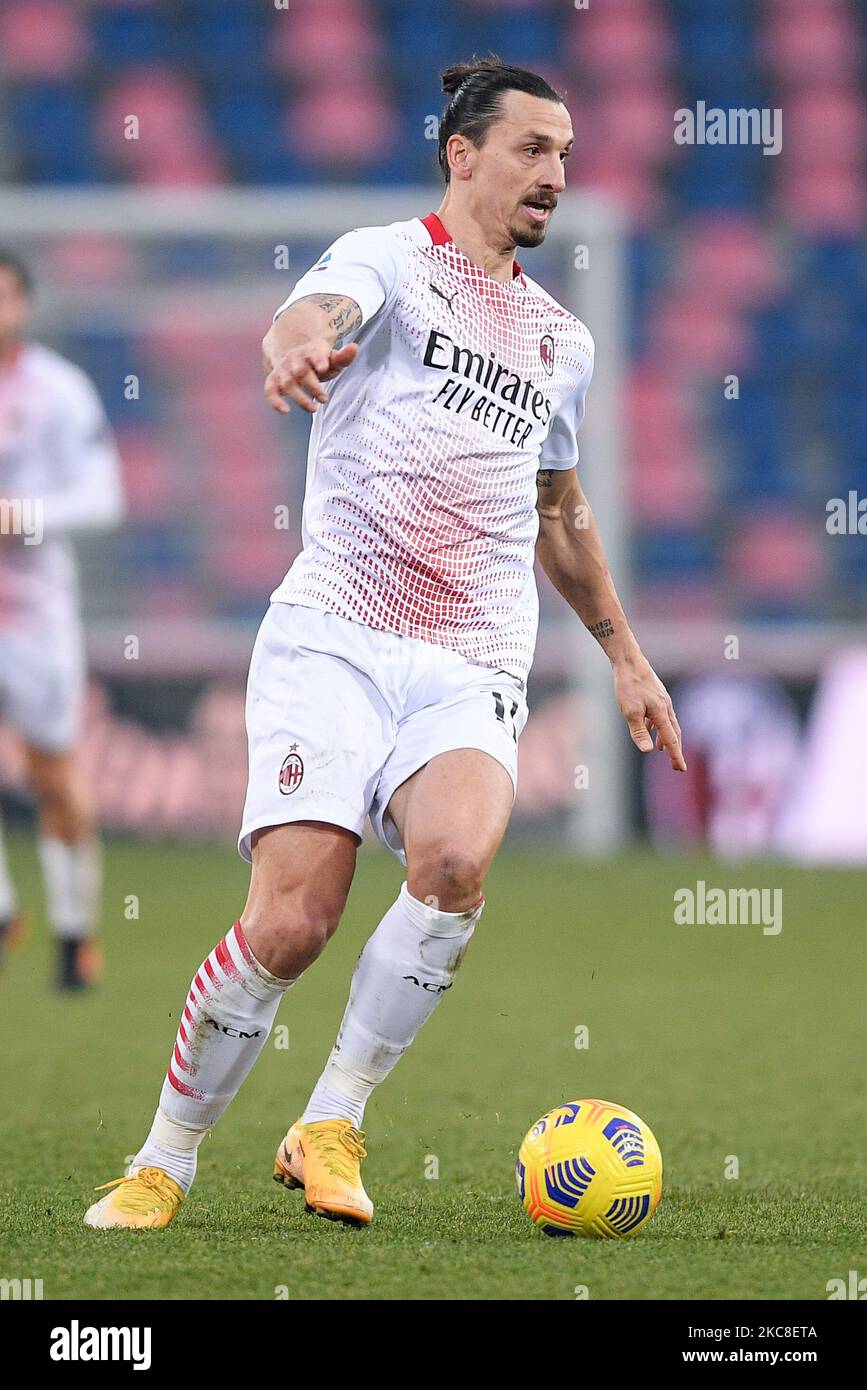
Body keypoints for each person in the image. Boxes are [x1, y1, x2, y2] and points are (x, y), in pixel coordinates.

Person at [86, 58, 684, 1232]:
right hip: (337, 638)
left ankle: (333, 1120)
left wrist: (622, 650)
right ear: (461, 153)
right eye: (530, 149)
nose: (555, 175)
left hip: (471, 656)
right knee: (292, 922)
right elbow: (314, 313)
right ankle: (165, 1160)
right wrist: (291, 346)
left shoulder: (563, 341)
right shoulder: (387, 258)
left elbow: (557, 506)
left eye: (566, 154)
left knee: (457, 864)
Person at [0, 250, 124, 988]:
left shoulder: (59, 390)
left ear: (26, 304)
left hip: (34, 610)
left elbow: (104, 499)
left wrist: (24, 518)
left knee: (54, 772)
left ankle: (75, 934)